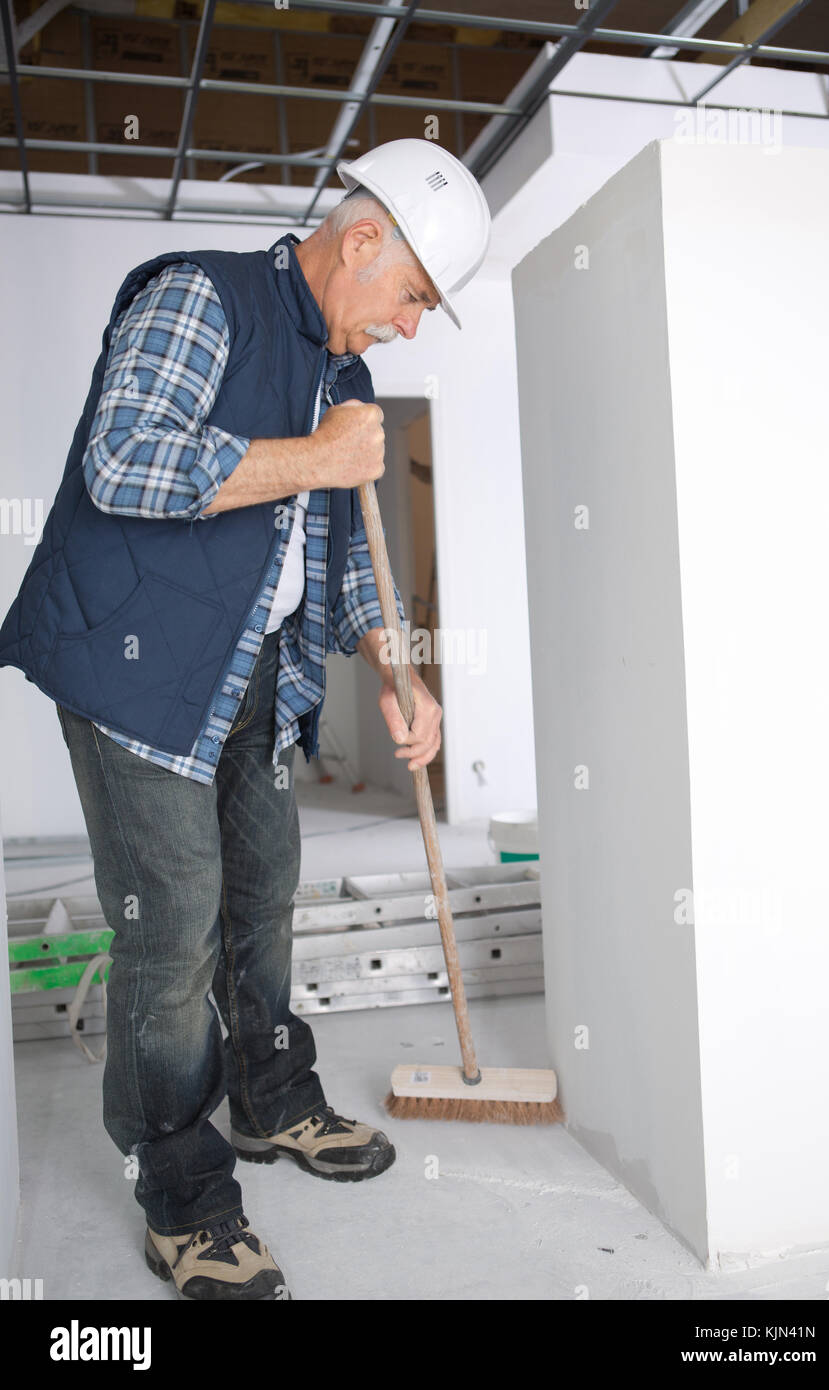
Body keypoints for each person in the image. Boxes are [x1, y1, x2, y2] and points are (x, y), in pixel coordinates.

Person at [0, 139, 491, 1300]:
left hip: (252, 671)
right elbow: (122, 459)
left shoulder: (347, 380)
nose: (410, 325)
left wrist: (396, 668)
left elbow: (345, 546)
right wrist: (314, 455)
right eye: (413, 296)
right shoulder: (199, 297)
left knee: (262, 892)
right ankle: (181, 1187)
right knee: (172, 929)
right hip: (139, 666)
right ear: (361, 240)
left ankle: (270, 1095)